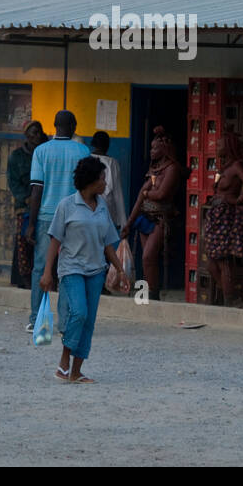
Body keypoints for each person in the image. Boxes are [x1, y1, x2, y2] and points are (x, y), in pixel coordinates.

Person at [40, 155, 129, 383]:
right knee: (78, 313)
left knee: (89, 321)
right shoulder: (66, 206)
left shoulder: (102, 208)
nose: (105, 184)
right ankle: (64, 361)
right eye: (102, 179)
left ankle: (76, 371)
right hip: (71, 269)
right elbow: (55, 241)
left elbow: (108, 244)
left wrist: (120, 270)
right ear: (91, 181)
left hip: (95, 271)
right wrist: (47, 272)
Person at [25, 110, 90, 332]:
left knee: (41, 269)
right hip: (74, 218)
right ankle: (65, 323)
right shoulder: (83, 151)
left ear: (54, 125)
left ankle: (36, 320)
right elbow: (88, 190)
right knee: (68, 270)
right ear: (73, 126)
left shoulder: (41, 151)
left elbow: (37, 190)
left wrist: (31, 224)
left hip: (46, 217)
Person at [122, 126, 185, 302]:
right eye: (151, 148)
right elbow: (139, 198)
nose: (151, 152)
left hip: (161, 219)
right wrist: (129, 222)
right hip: (145, 218)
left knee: (148, 255)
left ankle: (153, 294)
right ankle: (150, 293)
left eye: (155, 148)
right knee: (147, 259)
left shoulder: (171, 169)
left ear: (164, 150)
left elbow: (162, 194)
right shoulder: (155, 169)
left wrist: (147, 194)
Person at [204, 131, 243, 308]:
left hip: (227, 217)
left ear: (228, 146)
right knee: (212, 262)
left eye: (219, 144)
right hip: (216, 216)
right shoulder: (224, 168)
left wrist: (237, 200)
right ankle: (230, 296)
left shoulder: (236, 167)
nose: (216, 147)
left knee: (224, 260)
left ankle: (229, 300)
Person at [7, 120, 47, 290]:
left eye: (38, 132)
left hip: (44, 203)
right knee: (23, 240)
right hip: (25, 205)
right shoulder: (17, 156)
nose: (36, 136)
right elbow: (13, 182)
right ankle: (24, 276)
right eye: (32, 133)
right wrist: (26, 198)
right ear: (27, 136)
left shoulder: (45, 153)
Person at [89, 131, 127, 232]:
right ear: (108, 145)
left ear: (93, 144)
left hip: (87, 208)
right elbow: (117, 194)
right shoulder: (112, 163)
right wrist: (122, 222)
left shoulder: (86, 159)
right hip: (106, 209)